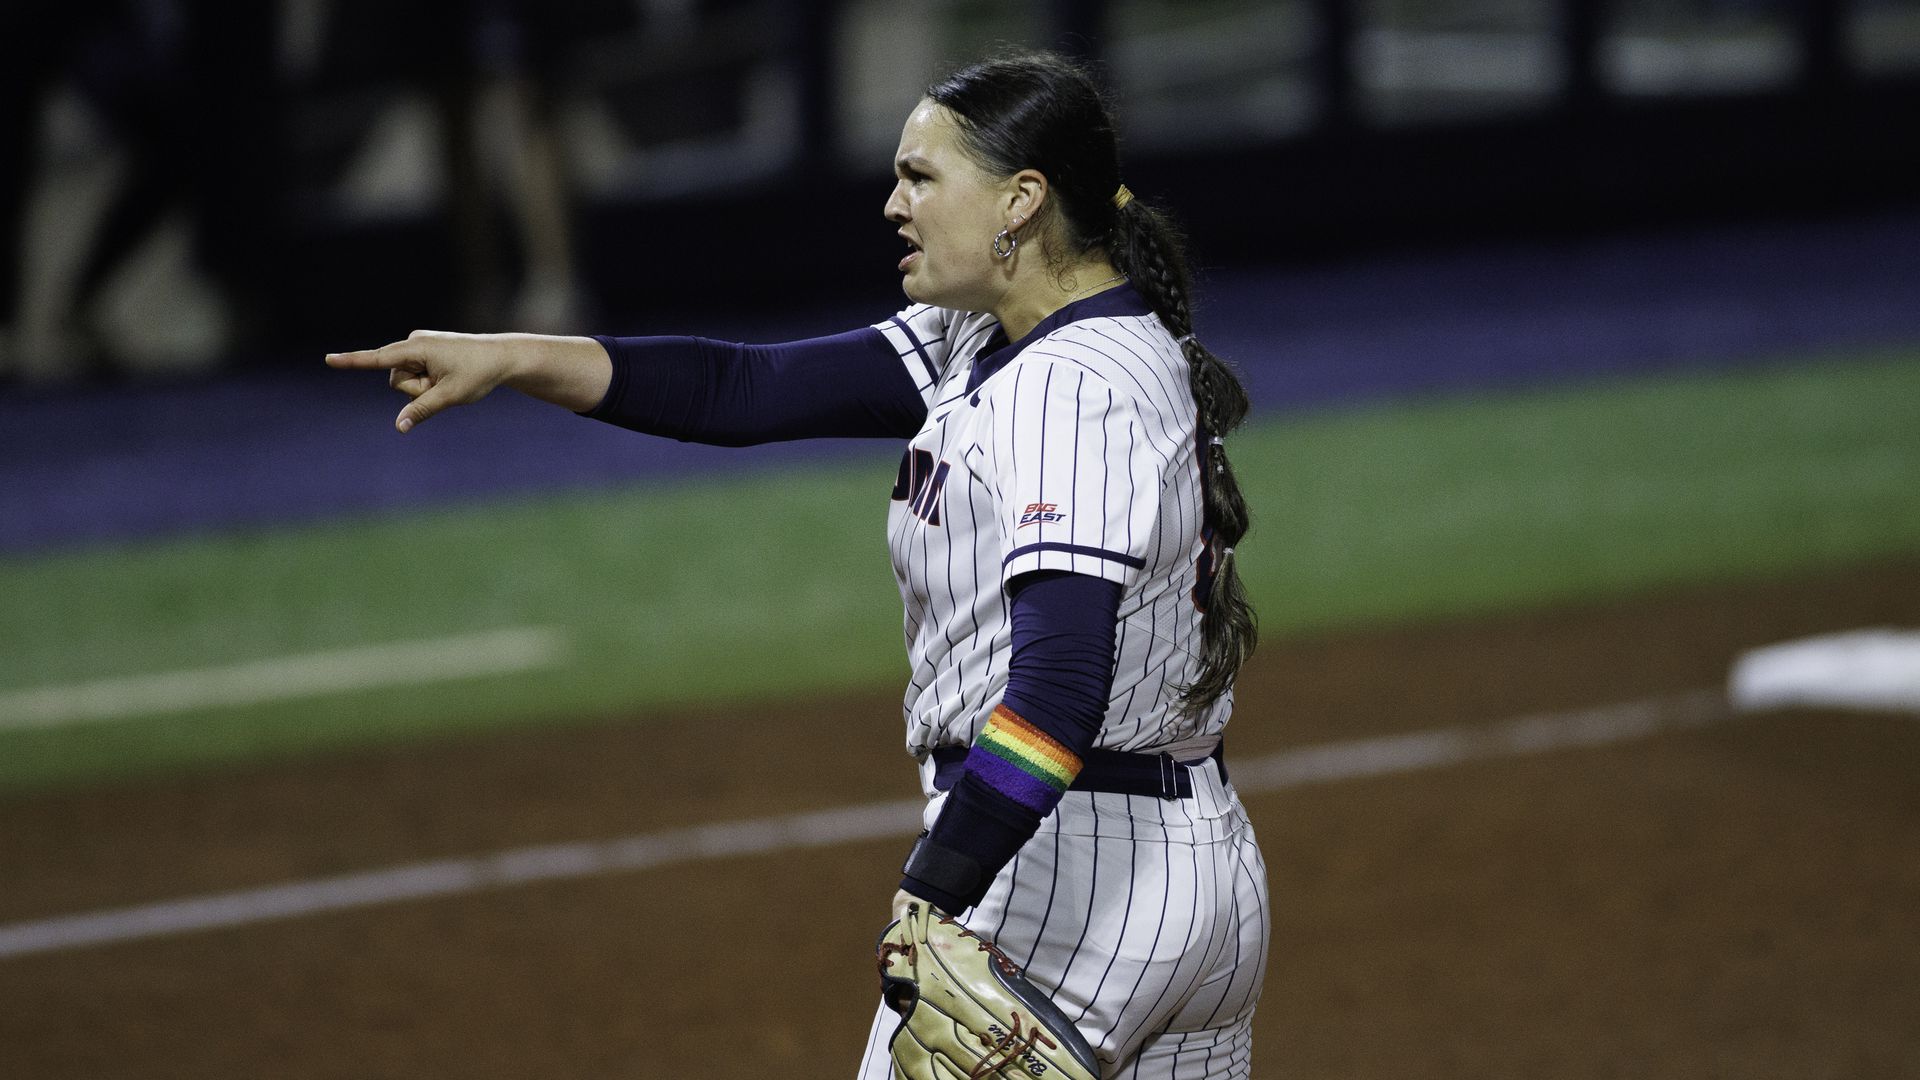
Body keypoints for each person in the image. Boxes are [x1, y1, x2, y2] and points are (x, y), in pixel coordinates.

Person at [327, 49, 1269, 1079]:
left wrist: (937, 887)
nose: (891, 204)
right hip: (1199, 880)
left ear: (1021, 200)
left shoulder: (1057, 389)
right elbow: (744, 390)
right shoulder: (1024, 336)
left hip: (1060, 887)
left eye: (920, 177)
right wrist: (515, 356)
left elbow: (1058, 690)